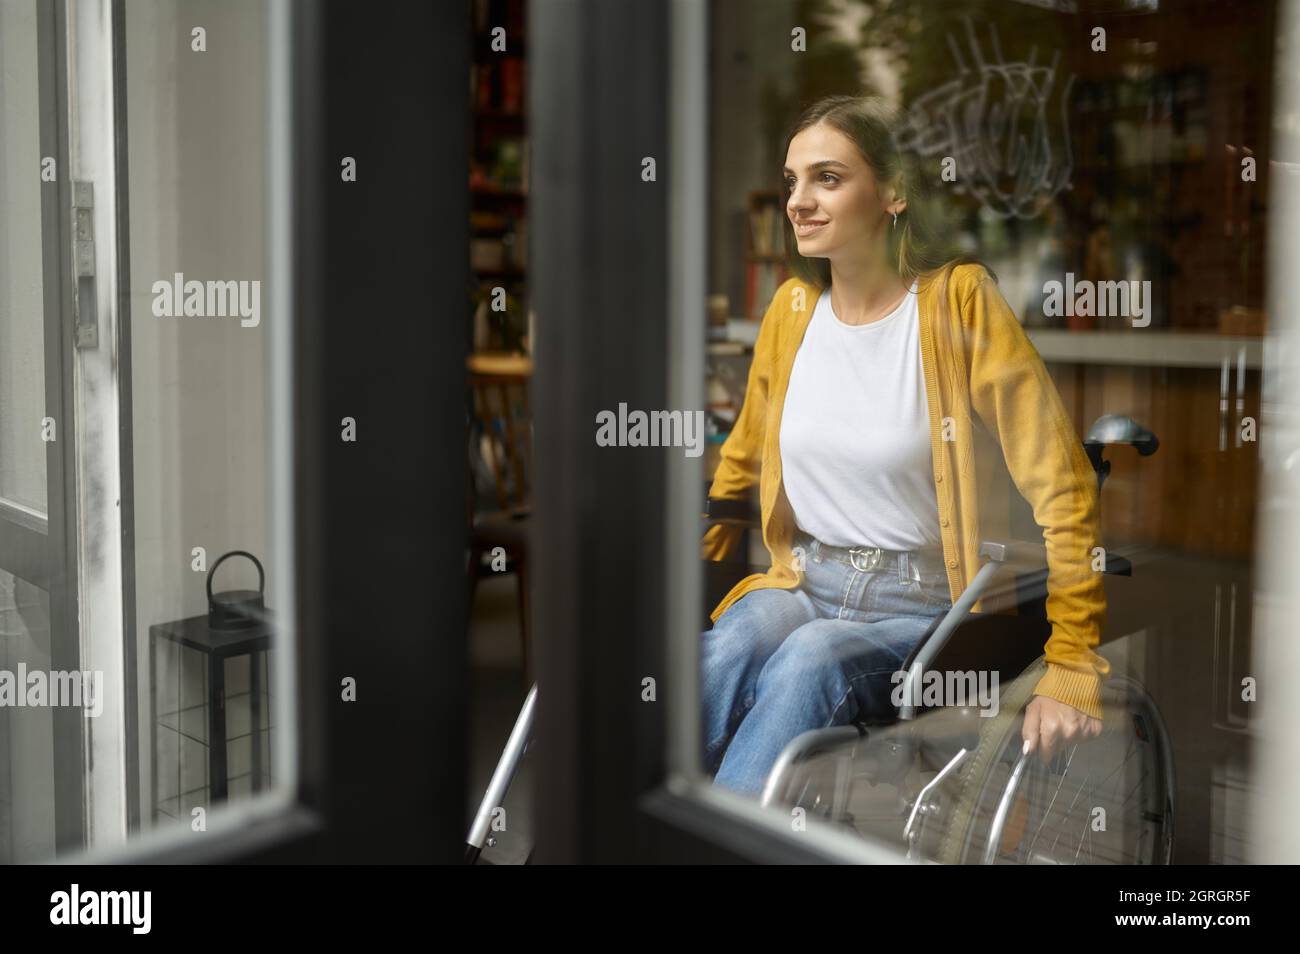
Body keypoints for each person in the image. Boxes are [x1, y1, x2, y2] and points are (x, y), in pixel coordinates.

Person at [701, 95, 1107, 797]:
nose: (798, 200)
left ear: (892, 192)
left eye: (827, 177)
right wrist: (699, 573)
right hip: (805, 579)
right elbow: (744, 455)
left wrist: (1073, 658)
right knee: (729, 644)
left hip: (925, 604)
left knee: (809, 659)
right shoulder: (792, 311)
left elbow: (1061, 482)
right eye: (792, 179)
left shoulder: (958, 302)